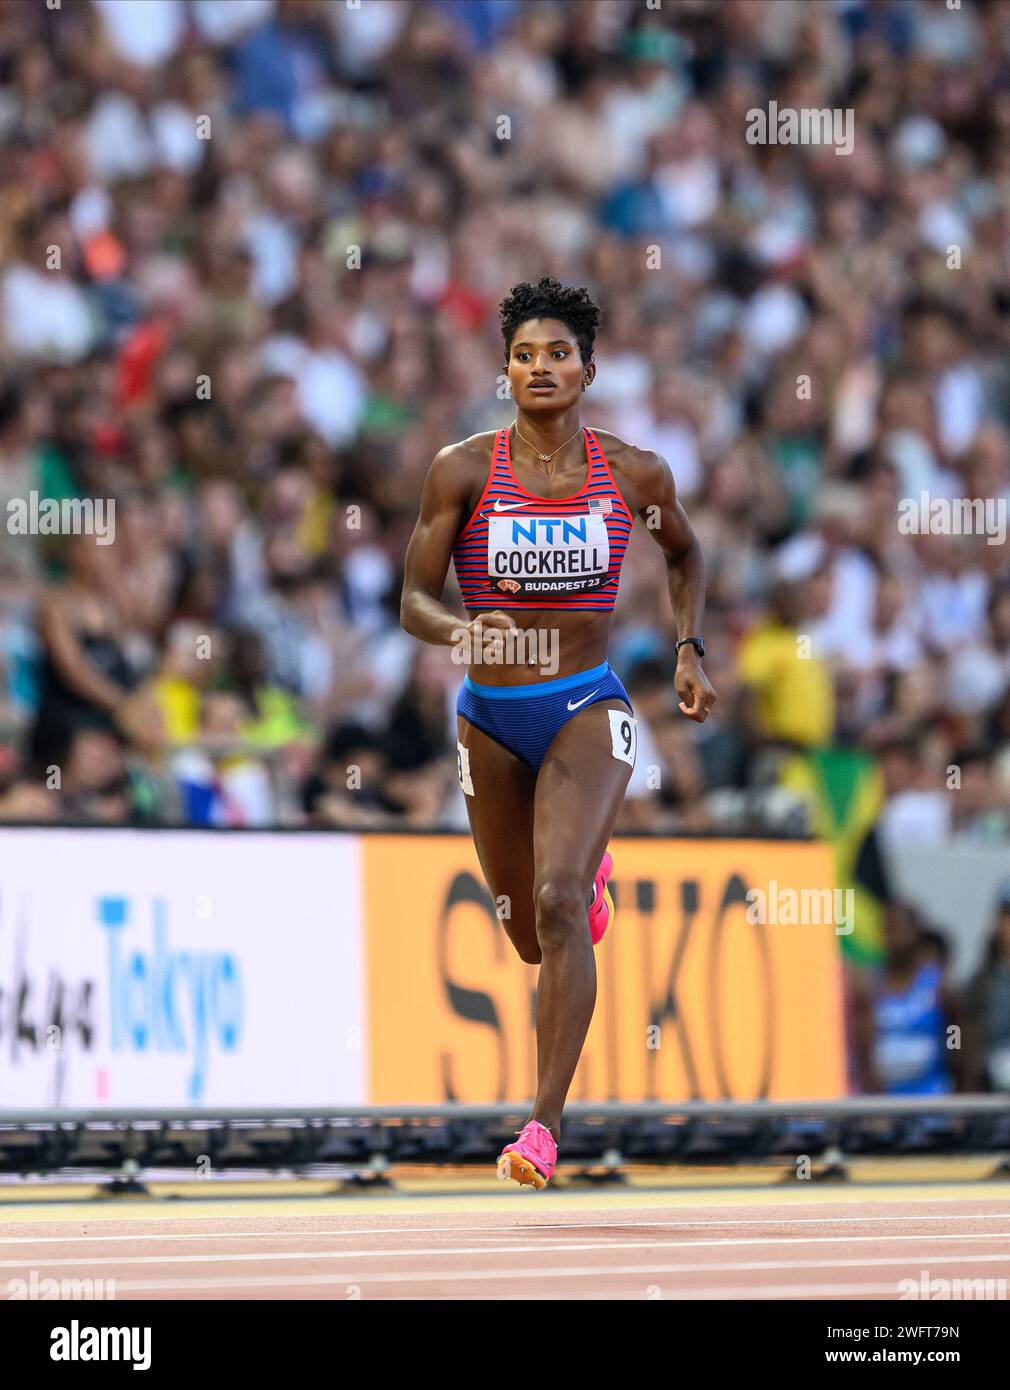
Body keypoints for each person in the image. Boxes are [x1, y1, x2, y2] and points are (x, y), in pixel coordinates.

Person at [400, 276, 715, 1187]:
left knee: (556, 903)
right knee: (530, 940)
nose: (541, 368)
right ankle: (588, 876)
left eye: (558, 354)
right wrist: (461, 629)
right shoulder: (461, 469)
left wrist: (690, 648)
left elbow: (685, 552)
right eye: (525, 355)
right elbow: (413, 600)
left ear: (588, 369)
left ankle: (540, 1127)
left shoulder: (634, 472)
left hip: (588, 705)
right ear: (506, 371)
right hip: (490, 721)